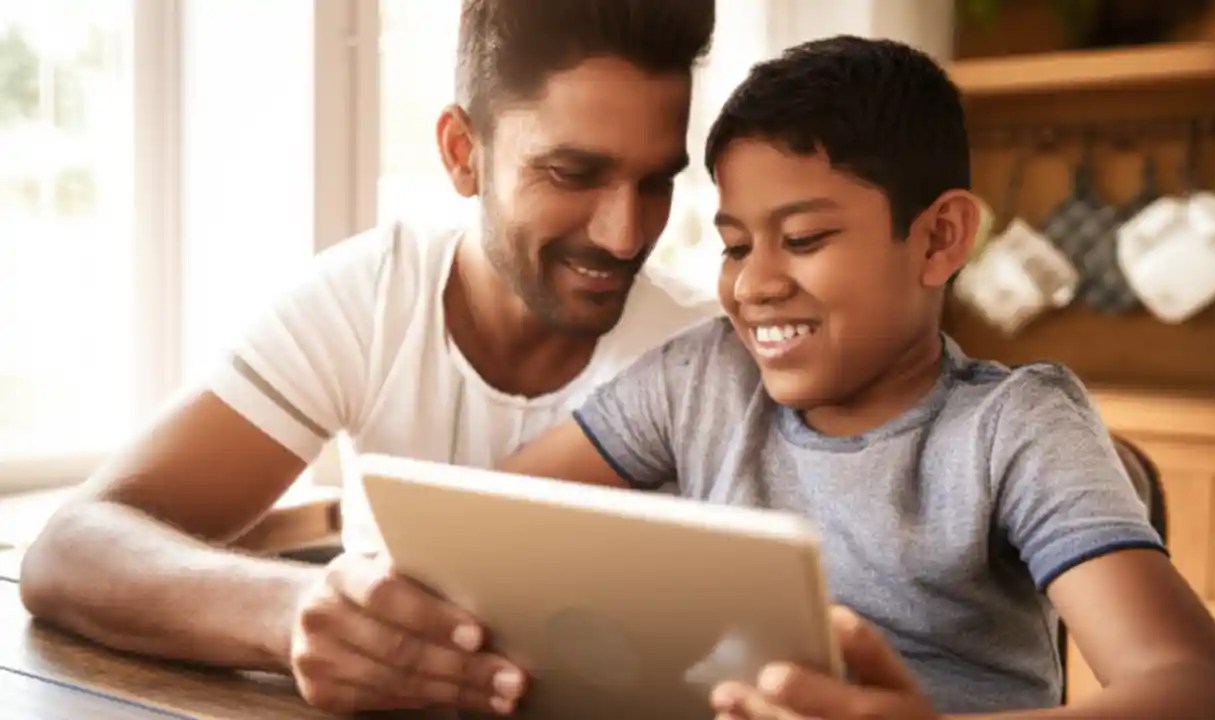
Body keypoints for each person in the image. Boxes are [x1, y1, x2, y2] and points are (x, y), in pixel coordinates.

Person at [500, 36, 1215, 718]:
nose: (753, 284)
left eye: (804, 238)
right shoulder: (699, 378)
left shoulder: (1015, 429)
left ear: (939, 239)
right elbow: (491, 526)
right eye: (736, 246)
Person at [19, 0, 717, 714]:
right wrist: (292, 613)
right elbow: (70, 550)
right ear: (462, 153)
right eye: (572, 173)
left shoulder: (714, 353)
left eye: (656, 182)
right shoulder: (373, 299)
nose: (626, 234)